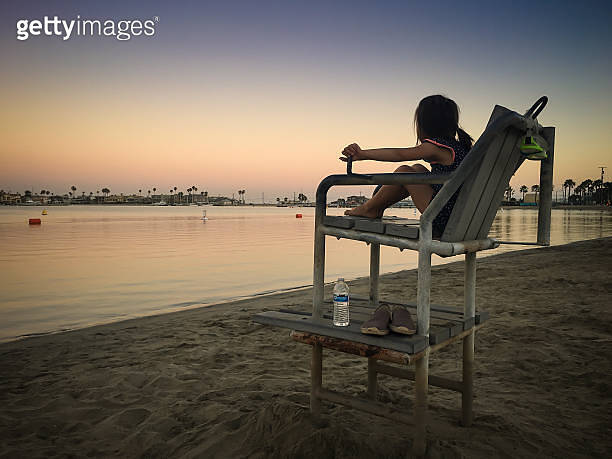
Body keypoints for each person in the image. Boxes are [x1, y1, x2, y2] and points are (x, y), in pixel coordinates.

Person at [339, 94, 474, 335]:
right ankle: (373, 206)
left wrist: (363, 154)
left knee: (405, 169)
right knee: (417, 170)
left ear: (423, 123)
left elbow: (401, 154)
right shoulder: (460, 147)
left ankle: (371, 208)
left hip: (442, 220)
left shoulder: (436, 146)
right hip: (459, 217)